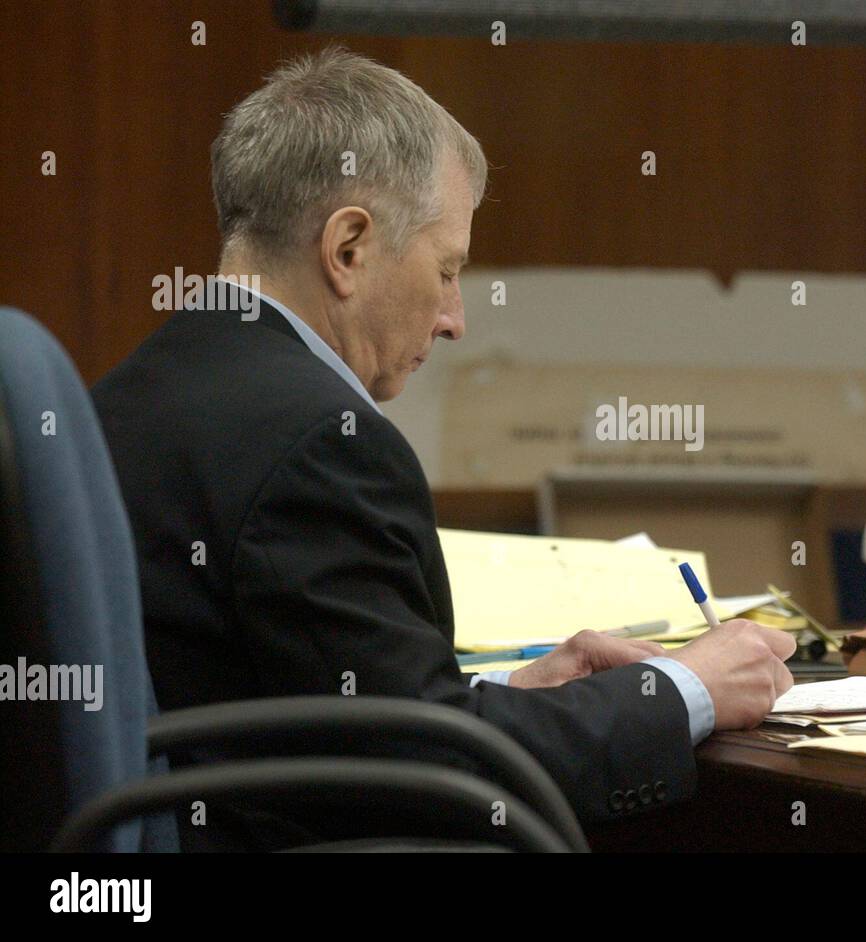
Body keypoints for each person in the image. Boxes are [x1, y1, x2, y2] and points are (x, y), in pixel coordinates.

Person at [92, 47, 795, 850]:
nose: (456, 318)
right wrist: (685, 687)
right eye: (448, 269)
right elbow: (423, 774)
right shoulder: (321, 443)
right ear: (348, 248)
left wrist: (510, 690)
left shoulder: (125, 396)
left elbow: (335, 707)